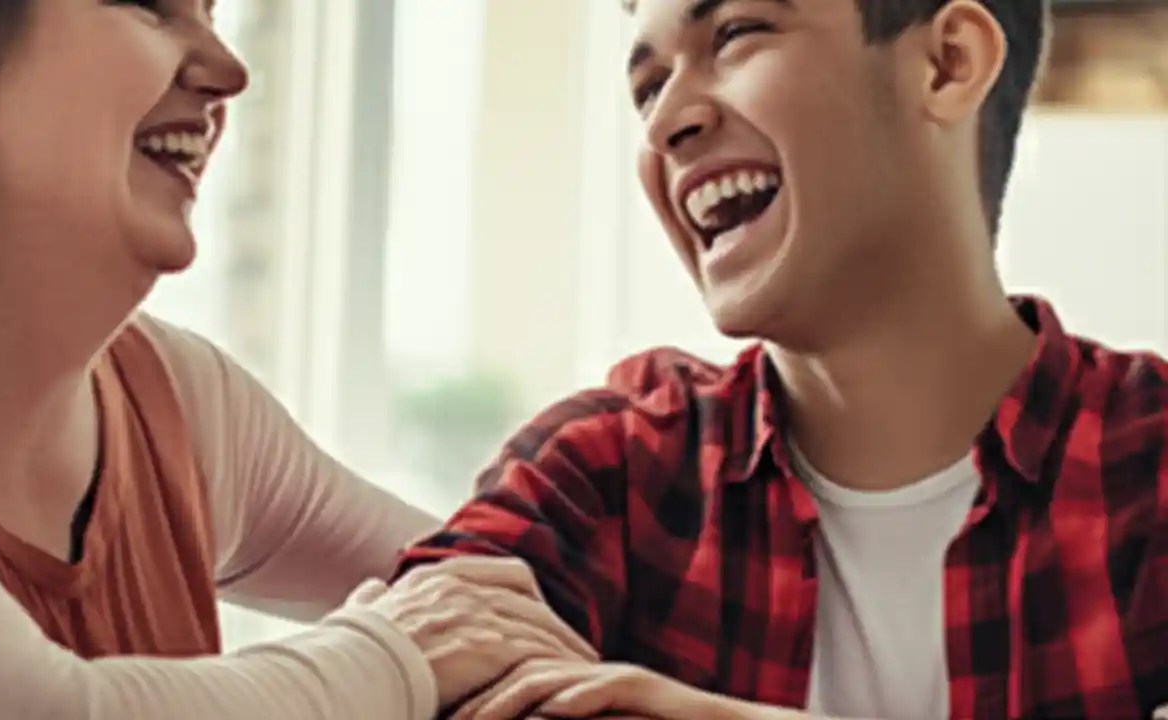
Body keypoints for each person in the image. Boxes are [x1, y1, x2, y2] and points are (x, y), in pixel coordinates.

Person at [398, 0, 1168, 718]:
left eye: (736, 35)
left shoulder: (1150, 467)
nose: (666, 121)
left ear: (946, 64)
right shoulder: (607, 474)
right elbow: (406, 666)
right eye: (649, 86)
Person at [0, 1, 595, 718]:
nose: (229, 71)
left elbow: (501, 606)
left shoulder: (181, 405)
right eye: (151, 7)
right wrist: (394, 657)